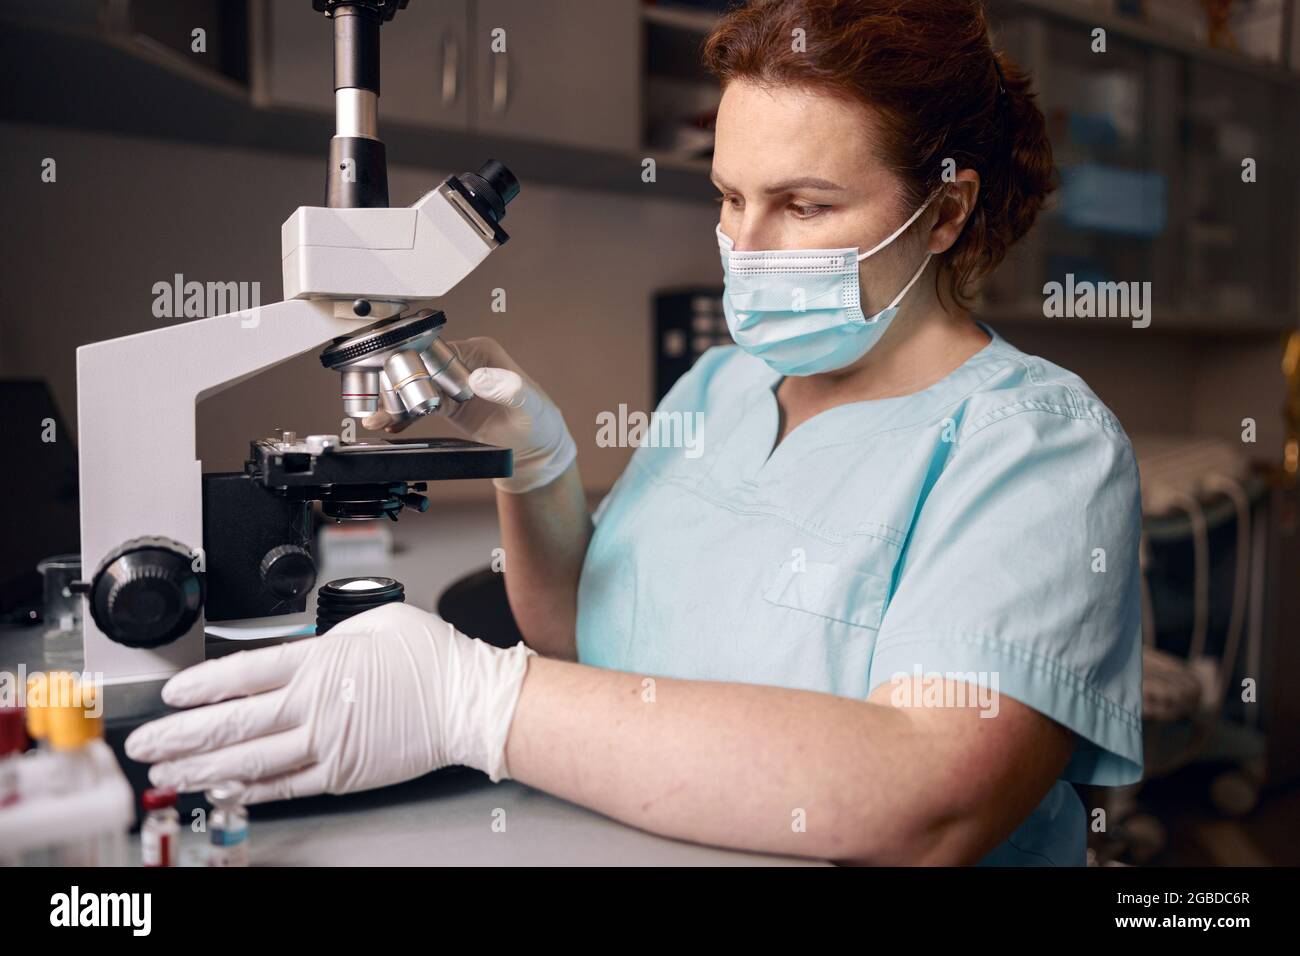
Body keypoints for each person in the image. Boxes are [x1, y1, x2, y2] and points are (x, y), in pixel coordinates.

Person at [126, 0, 1142, 865]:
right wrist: (539, 467)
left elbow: (932, 799)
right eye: (731, 197)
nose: (744, 244)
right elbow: (582, 633)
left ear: (942, 213)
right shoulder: (721, 387)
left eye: (802, 203)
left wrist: (476, 700)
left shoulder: (1035, 445)